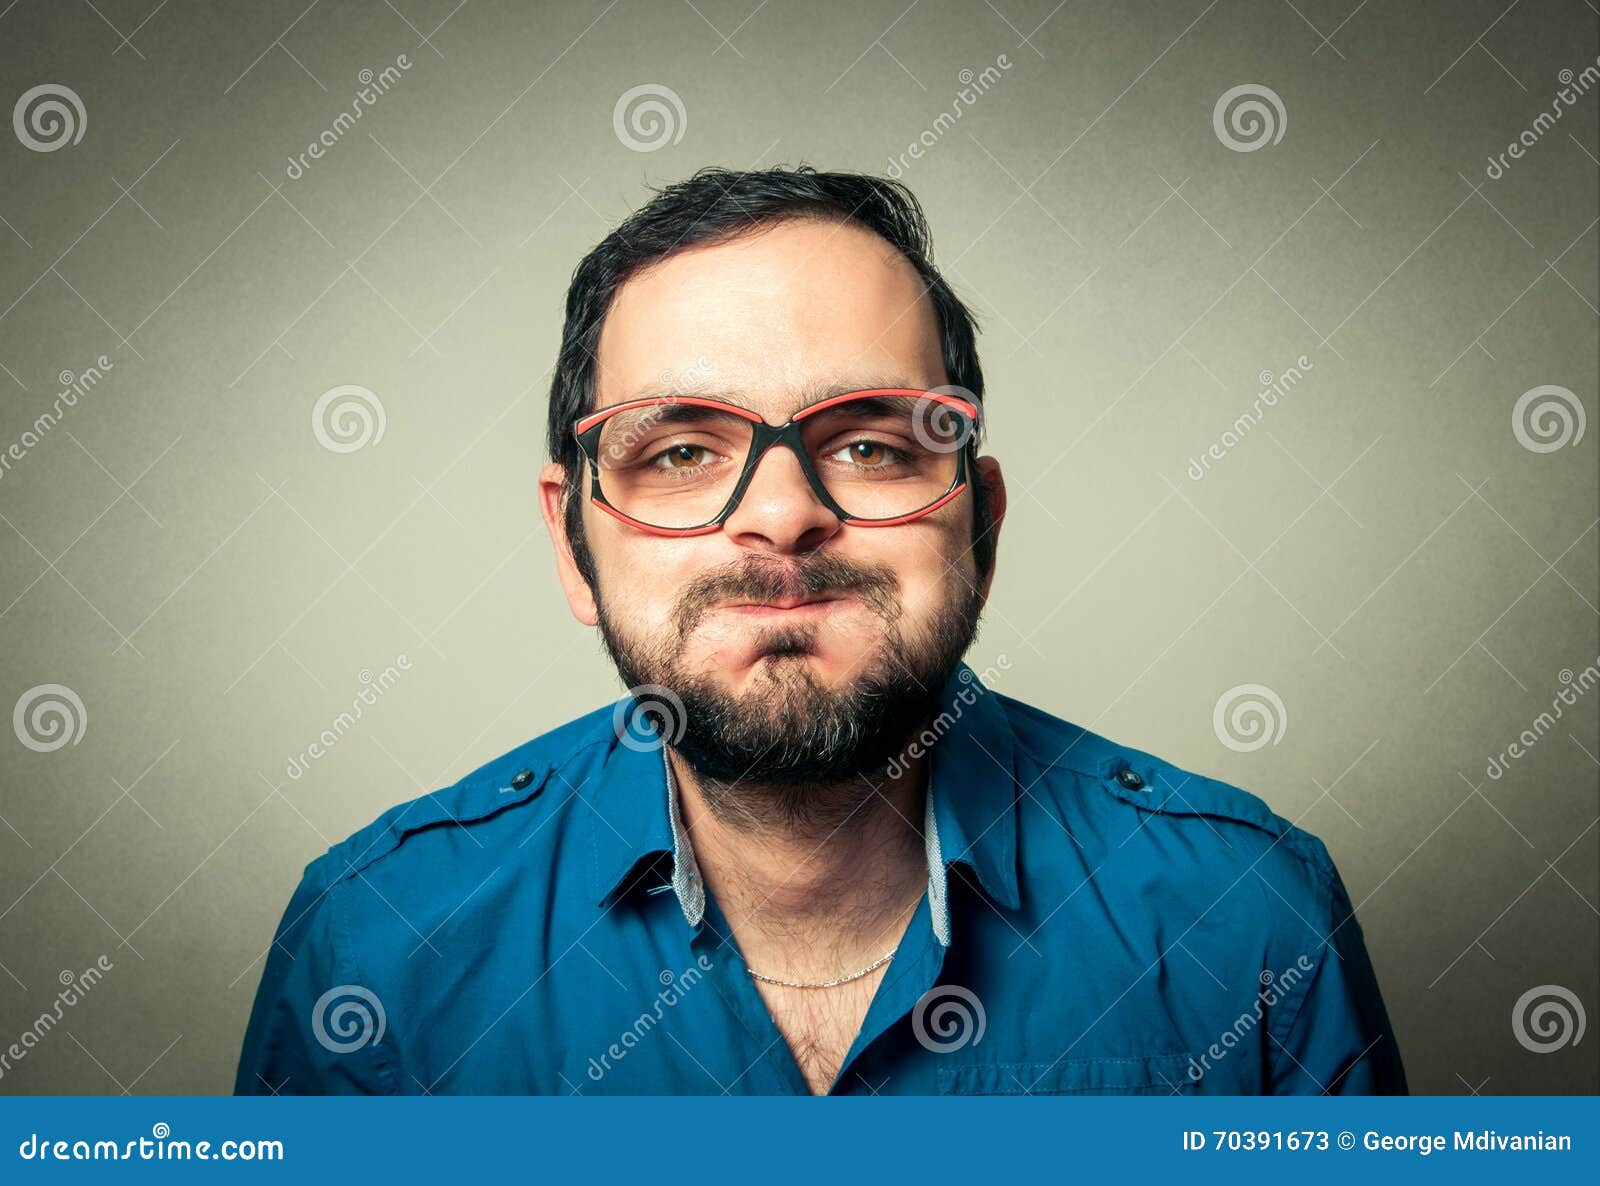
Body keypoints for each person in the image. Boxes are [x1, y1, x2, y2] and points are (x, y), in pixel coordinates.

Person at [236, 167, 1406, 1096]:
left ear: (980, 529)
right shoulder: (376, 947)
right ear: (572, 545)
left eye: (872, 443)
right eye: (681, 451)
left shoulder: (1246, 920)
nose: (784, 513)